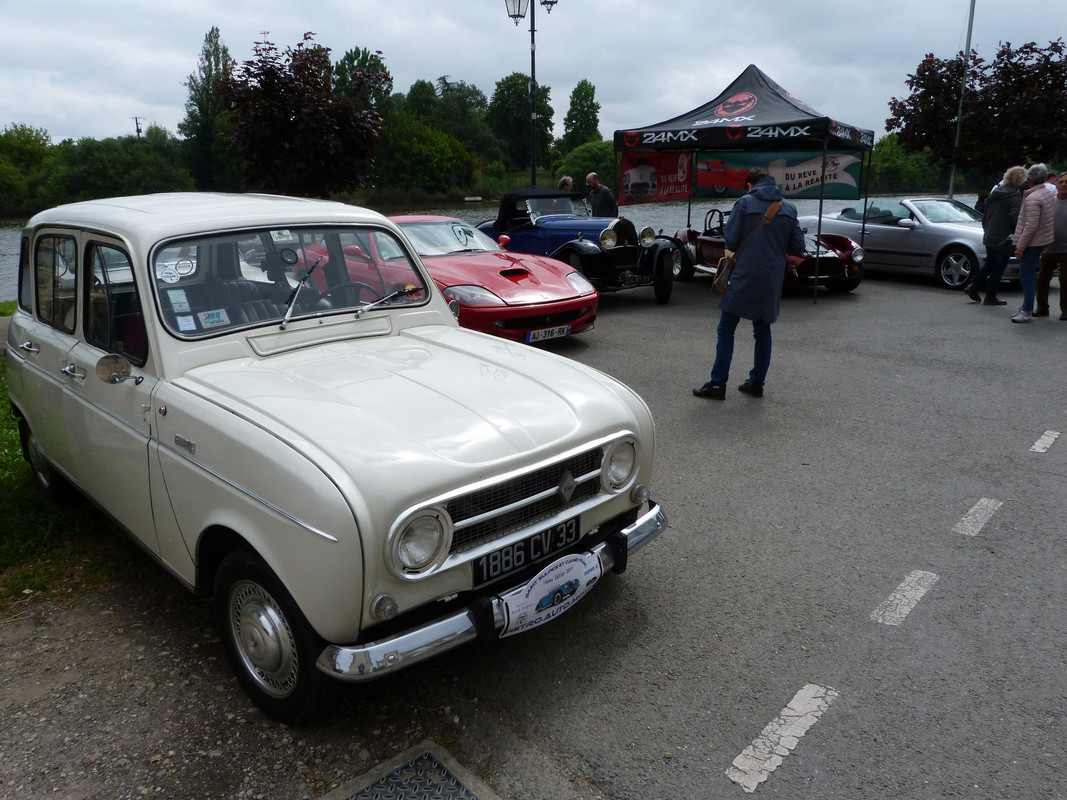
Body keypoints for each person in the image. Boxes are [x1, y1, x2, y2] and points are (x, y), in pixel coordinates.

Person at [693, 168, 804, 400]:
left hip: (745, 275)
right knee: (762, 329)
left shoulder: (744, 203)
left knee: (726, 328)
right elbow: (796, 246)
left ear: (750, 185)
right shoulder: (789, 208)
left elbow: (731, 241)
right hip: (772, 277)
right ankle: (756, 383)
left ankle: (717, 385)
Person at [966, 166, 1026, 305]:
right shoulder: (1014, 197)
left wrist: (987, 229)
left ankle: (974, 285)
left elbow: (985, 214)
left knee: (990, 264)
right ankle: (990, 295)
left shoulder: (995, 193)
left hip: (990, 234)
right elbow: (1015, 218)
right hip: (1003, 238)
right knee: (998, 267)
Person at [1010, 163, 1056, 323]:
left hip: (1033, 242)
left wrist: (1020, 247)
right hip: (1043, 239)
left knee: (1026, 276)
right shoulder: (1048, 193)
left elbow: (1030, 226)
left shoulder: (1033, 198)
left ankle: (1027, 309)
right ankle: (1025, 306)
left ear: (1029, 179)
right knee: (1029, 274)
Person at [1035, 171, 1067, 319]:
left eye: (1066, 182)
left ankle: (1065, 309)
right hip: (1048, 247)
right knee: (1042, 279)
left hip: (1066, 249)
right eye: (1061, 182)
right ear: (1056, 184)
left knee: (1065, 280)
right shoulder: (1050, 201)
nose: (1064, 184)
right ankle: (1042, 308)